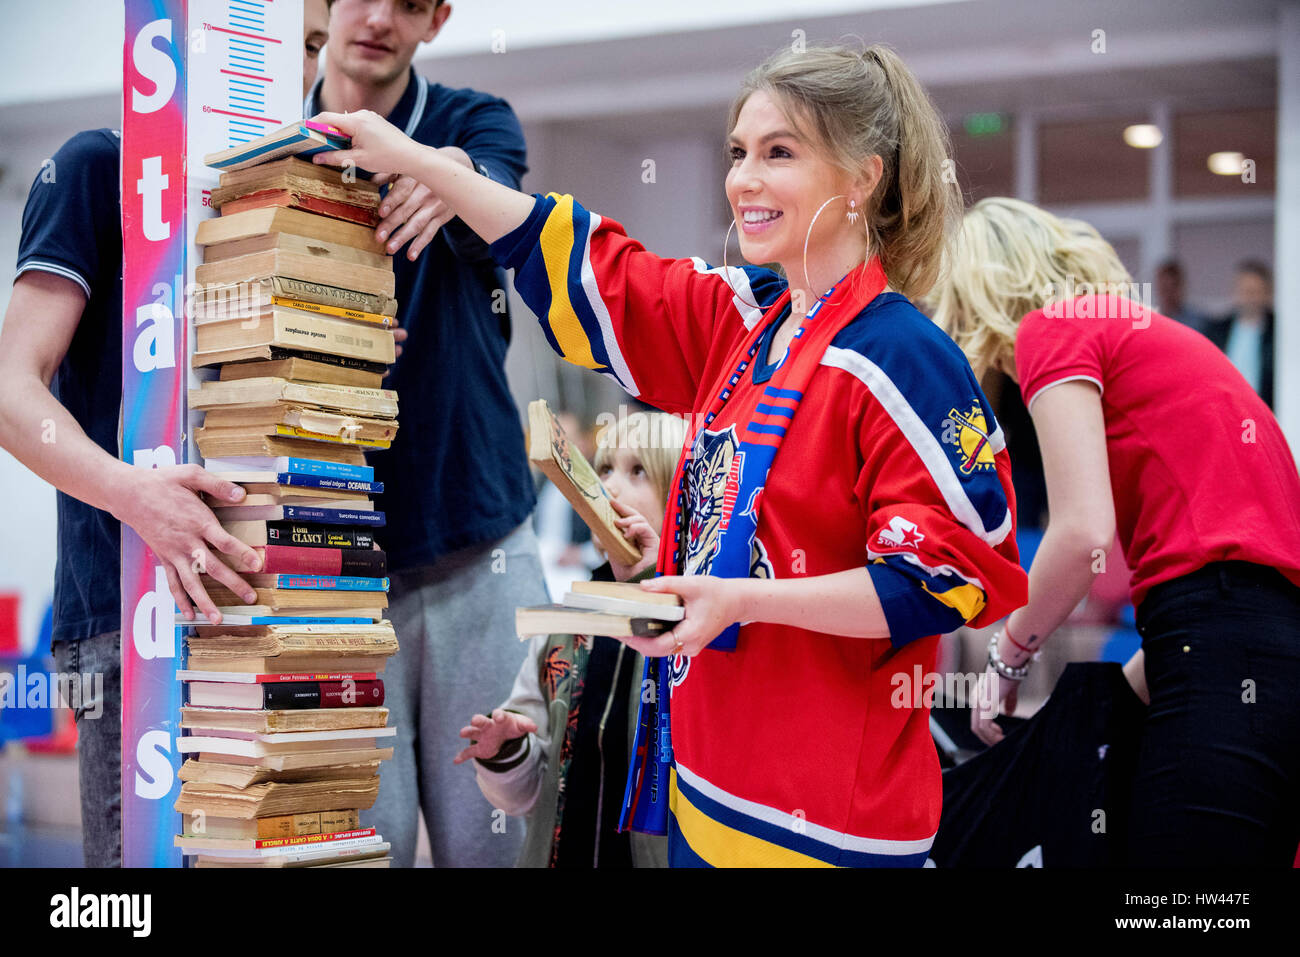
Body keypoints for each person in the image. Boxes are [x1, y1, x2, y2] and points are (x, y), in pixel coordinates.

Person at [311, 42, 1028, 867]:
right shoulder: (749, 323)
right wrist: (413, 160)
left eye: (778, 153)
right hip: (705, 797)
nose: (744, 180)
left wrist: (741, 601)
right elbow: (586, 262)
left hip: (825, 823)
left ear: (863, 177)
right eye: (737, 153)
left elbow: (949, 577)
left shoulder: (902, 355)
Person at [0, 7, 337, 868]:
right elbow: (9, 389)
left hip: (278, 609)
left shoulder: (291, 209)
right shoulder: (96, 168)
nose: (295, 70)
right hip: (130, 618)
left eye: (309, 48)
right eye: (274, 39)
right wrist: (132, 492)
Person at [929, 196, 1300, 867]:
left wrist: (1007, 657)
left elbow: (1081, 534)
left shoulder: (1053, 327)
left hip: (1219, 649)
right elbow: (1233, 596)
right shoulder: (1157, 345)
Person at [304, 0, 549, 867]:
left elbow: (498, 192)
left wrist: (440, 172)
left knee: (498, 843)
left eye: (408, 3)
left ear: (437, 18)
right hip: (322, 574)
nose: (378, 19)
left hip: (473, 546)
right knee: (355, 851)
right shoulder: (268, 144)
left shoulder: (472, 123)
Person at [455, 411, 686, 867]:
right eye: (604, 470)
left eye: (637, 470)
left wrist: (657, 578)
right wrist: (505, 752)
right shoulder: (567, 624)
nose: (610, 489)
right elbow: (527, 796)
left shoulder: (702, 625)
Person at [1202, 259, 1275, 409]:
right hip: (1225, 409)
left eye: (1255, 291)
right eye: (1245, 290)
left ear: (1267, 293)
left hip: (1265, 411)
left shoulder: (1278, 333)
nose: (1249, 297)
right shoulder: (1217, 330)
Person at [1153, 259, 1205, 332]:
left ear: (1180, 286)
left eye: (1172, 288)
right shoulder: (1152, 320)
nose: (1168, 295)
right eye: (1165, 289)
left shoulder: (1195, 322)